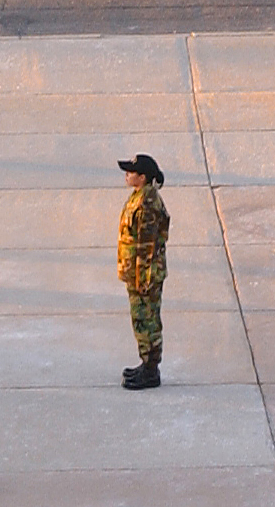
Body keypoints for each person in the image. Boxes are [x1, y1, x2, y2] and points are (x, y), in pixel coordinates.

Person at [117, 152, 170, 391]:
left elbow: (147, 247)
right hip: (136, 273)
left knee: (147, 320)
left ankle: (151, 371)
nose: (127, 176)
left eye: (131, 172)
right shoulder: (139, 197)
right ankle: (146, 362)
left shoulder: (147, 204)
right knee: (140, 319)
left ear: (143, 177)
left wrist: (142, 278)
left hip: (144, 276)